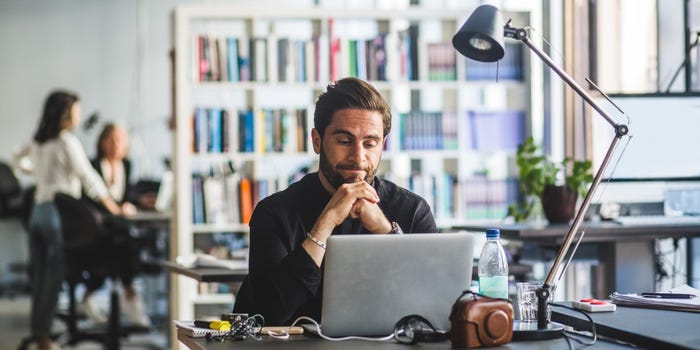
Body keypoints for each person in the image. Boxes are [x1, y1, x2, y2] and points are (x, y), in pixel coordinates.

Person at [233, 77, 438, 326]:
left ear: (382, 145)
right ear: (317, 141)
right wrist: (326, 222)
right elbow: (269, 314)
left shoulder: (413, 211)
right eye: (344, 141)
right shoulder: (274, 213)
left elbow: (430, 309)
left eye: (370, 143)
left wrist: (385, 231)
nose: (358, 157)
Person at [13, 90, 126, 350]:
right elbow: (88, 177)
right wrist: (112, 205)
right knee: (54, 274)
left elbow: (17, 160)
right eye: (77, 110)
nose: (79, 115)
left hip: (36, 213)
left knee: (39, 275)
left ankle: (40, 332)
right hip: (58, 213)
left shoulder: (38, 141)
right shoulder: (66, 141)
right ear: (66, 113)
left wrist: (36, 172)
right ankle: (44, 339)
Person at [78, 123, 150, 327]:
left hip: (118, 228)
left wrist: (138, 202)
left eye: (121, 140)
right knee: (122, 248)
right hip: (96, 228)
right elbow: (90, 199)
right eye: (112, 139)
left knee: (122, 245)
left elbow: (126, 196)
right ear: (102, 142)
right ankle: (131, 296)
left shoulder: (127, 166)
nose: (116, 144)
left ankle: (88, 298)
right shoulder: (91, 166)